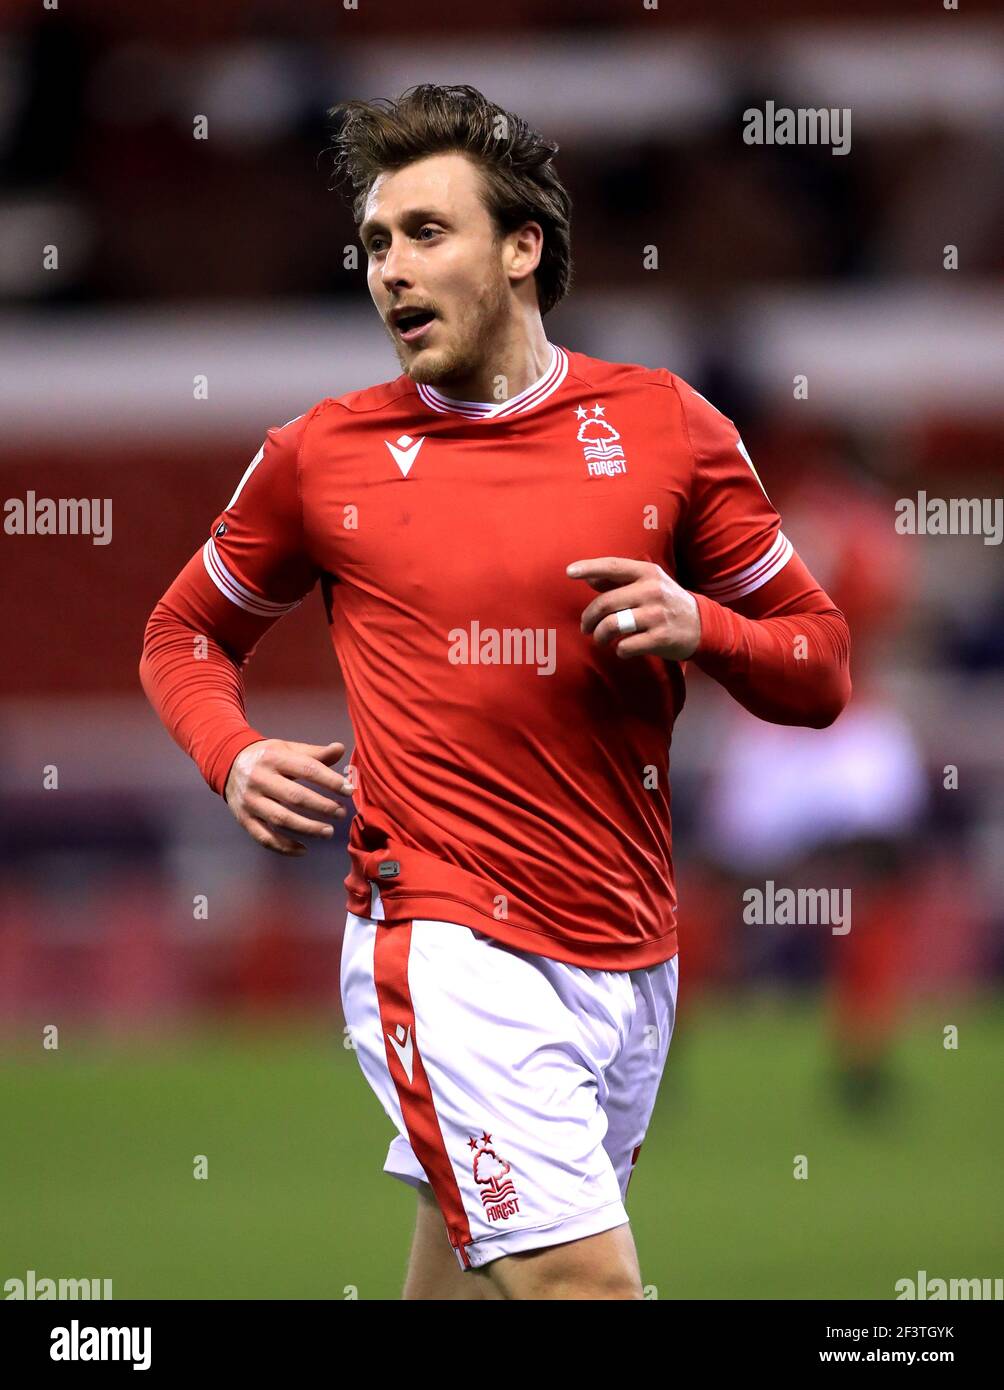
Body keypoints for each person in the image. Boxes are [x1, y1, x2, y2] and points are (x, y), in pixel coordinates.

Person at [139, 83, 851, 1300]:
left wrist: (704, 626)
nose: (389, 272)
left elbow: (820, 663)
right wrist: (232, 751)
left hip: (630, 950)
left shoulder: (665, 428)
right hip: (446, 937)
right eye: (373, 244)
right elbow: (181, 633)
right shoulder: (320, 455)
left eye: (425, 233)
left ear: (521, 249)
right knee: (585, 1284)